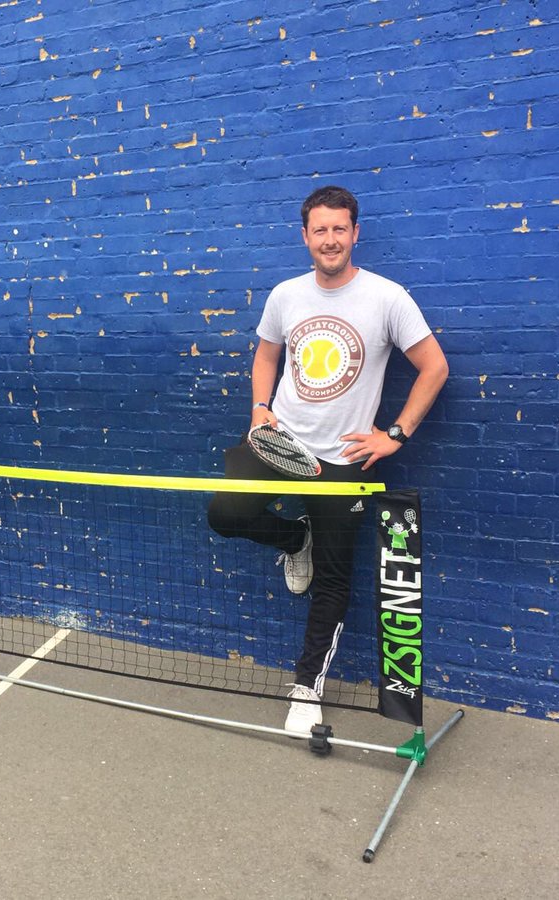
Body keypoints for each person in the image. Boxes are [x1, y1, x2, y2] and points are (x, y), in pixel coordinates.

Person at [207, 185, 448, 735]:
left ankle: (307, 686)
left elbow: (434, 367)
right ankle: (297, 539)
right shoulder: (286, 295)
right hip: (281, 442)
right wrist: (260, 407)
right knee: (225, 513)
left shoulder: (387, 298)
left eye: (340, 229)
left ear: (355, 233)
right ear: (306, 236)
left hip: (345, 460)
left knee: (334, 579)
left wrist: (395, 435)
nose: (331, 239)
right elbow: (266, 355)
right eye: (321, 230)